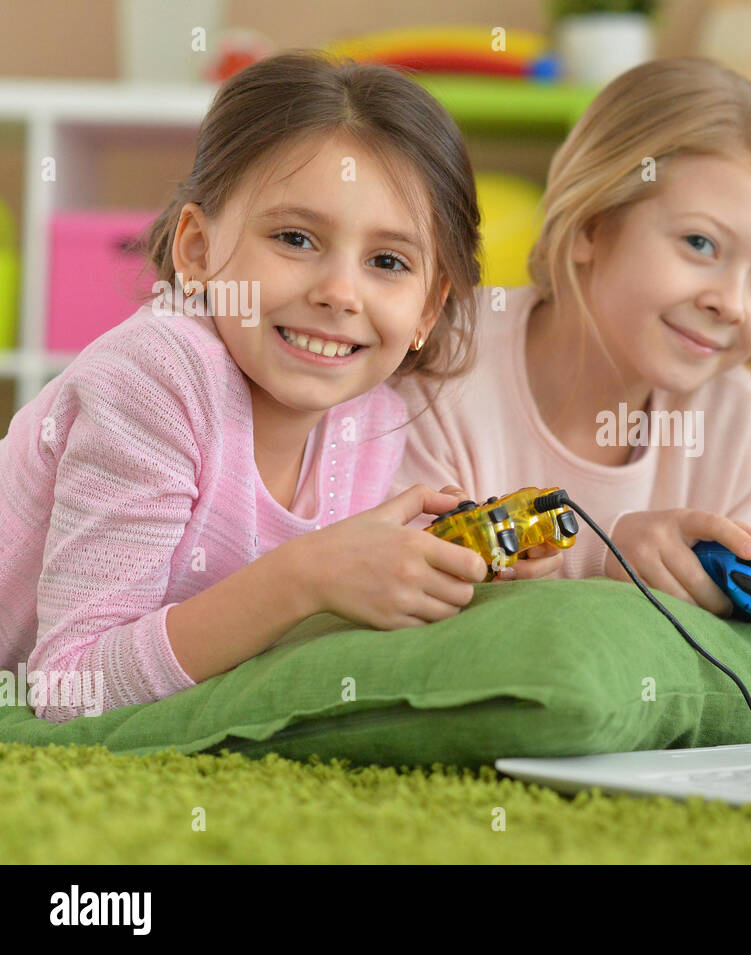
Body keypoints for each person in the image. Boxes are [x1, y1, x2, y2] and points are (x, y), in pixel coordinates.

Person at [392, 57, 751, 728]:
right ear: (591, 225)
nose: (731, 302)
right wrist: (619, 578)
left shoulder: (735, 420)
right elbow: (402, 626)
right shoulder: (443, 360)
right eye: (700, 243)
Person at [0, 50, 513, 723]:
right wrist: (306, 577)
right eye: (296, 238)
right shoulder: (155, 379)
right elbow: (68, 688)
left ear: (427, 307)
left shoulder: (370, 418)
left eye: (388, 261)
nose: (339, 293)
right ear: (196, 249)